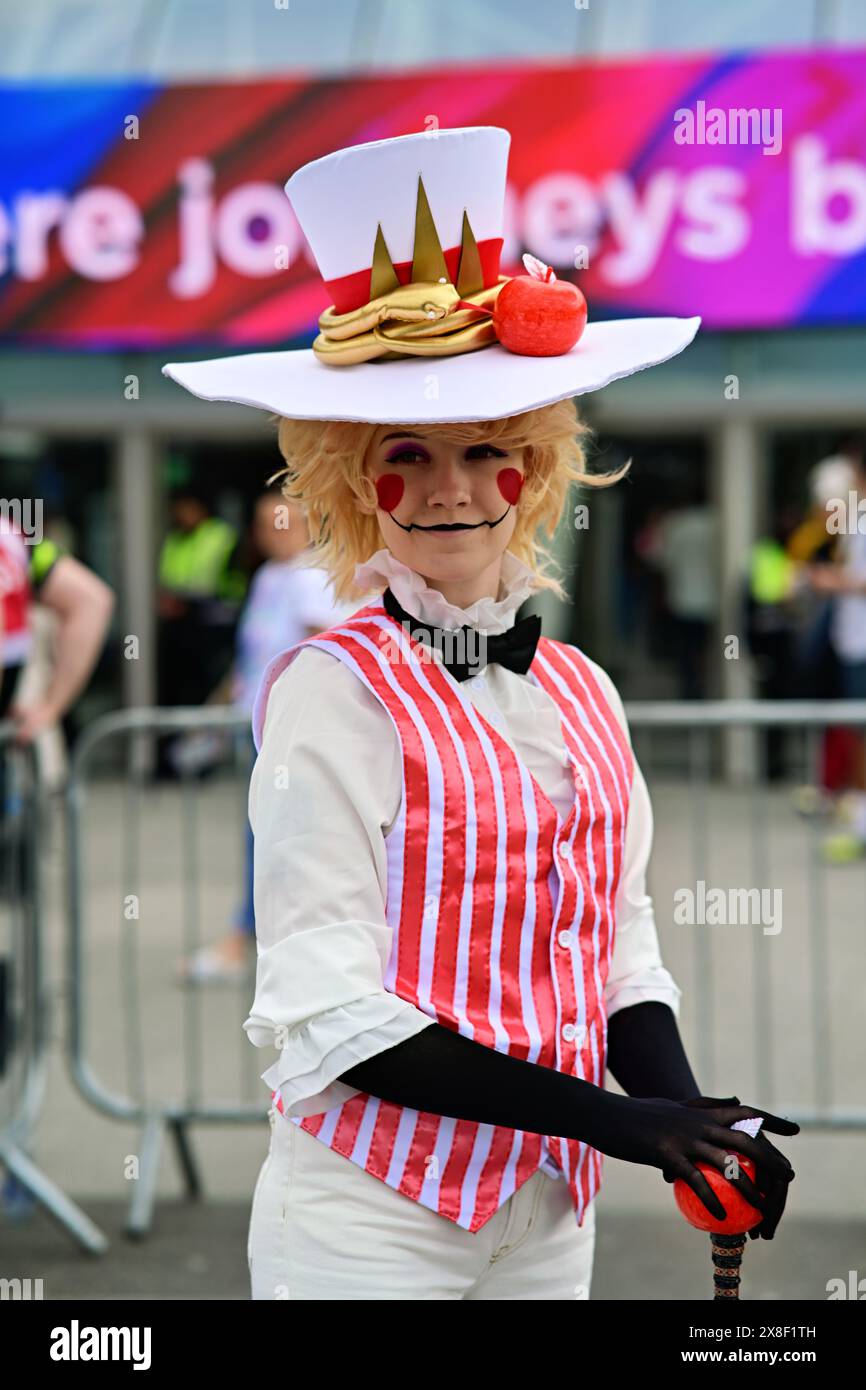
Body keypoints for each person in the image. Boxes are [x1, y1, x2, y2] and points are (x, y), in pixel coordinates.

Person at [163, 126, 797, 1301]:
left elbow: (614, 936)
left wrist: (691, 1117)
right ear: (355, 484)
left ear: (536, 473)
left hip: (549, 1217)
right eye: (406, 455)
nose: (450, 488)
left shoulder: (579, 688)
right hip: (368, 1219)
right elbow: (333, 1006)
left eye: (486, 451)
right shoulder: (328, 692)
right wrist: (623, 1121)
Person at [177, 486, 357, 983]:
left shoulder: (311, 577)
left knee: (275, 837)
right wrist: (214, 711)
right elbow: (252, 660)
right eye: (262, 523)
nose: (271, 532)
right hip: (259, 728)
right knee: (268, 835)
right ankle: (264, 941)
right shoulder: (269, 578)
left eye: (281, 521)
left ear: (307, 522)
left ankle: (252, 942)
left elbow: (325, 647)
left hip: (291, 733)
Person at [155, 485, 247, 778]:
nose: (181, 514)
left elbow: (228, 584)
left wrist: (195, 601)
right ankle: (172, 762)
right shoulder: (176, 538)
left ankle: (201, 763)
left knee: (203, 696)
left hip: (209, 627)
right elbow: (168, 576)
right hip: (179, 628)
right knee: (174, 694)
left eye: (186, 507)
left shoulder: (220, 536)